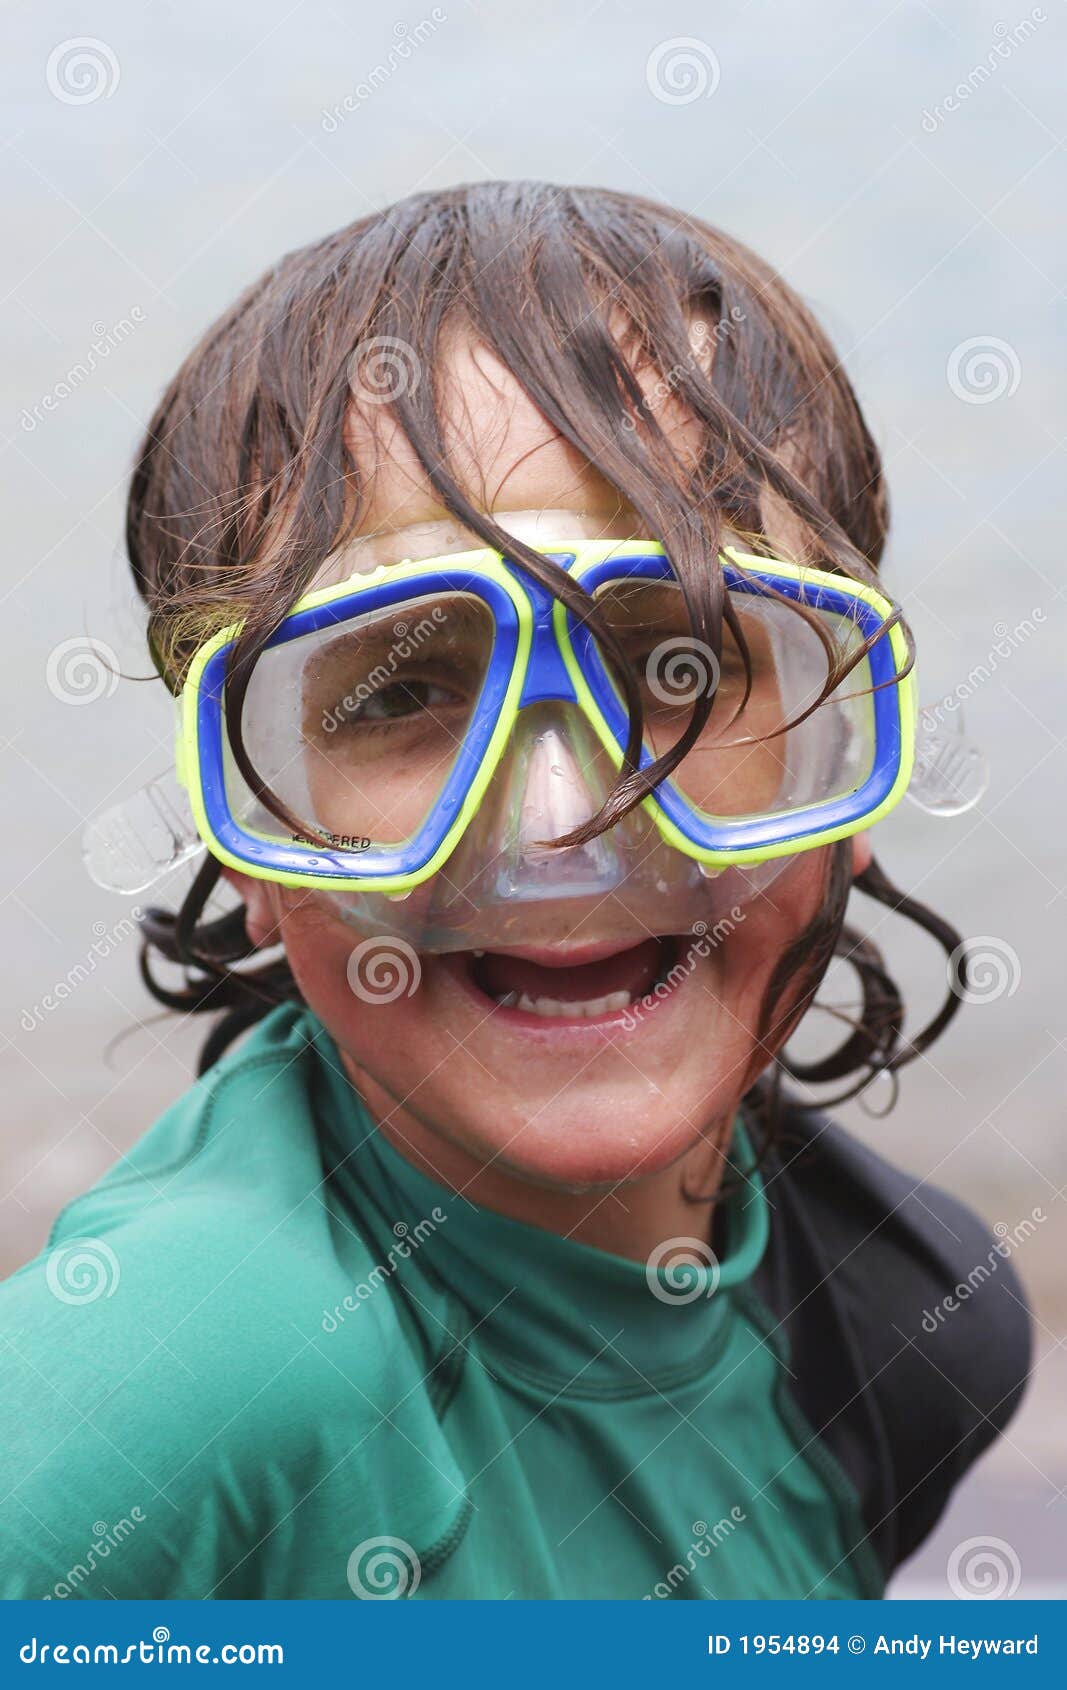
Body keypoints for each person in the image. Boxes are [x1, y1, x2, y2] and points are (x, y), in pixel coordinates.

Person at [0, 182, 1030, 1600]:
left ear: (841, 752)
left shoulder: (907, 1318)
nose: (559, 829)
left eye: (678, 660)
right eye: (399, 690)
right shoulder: (186, 1383)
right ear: (249, 837)